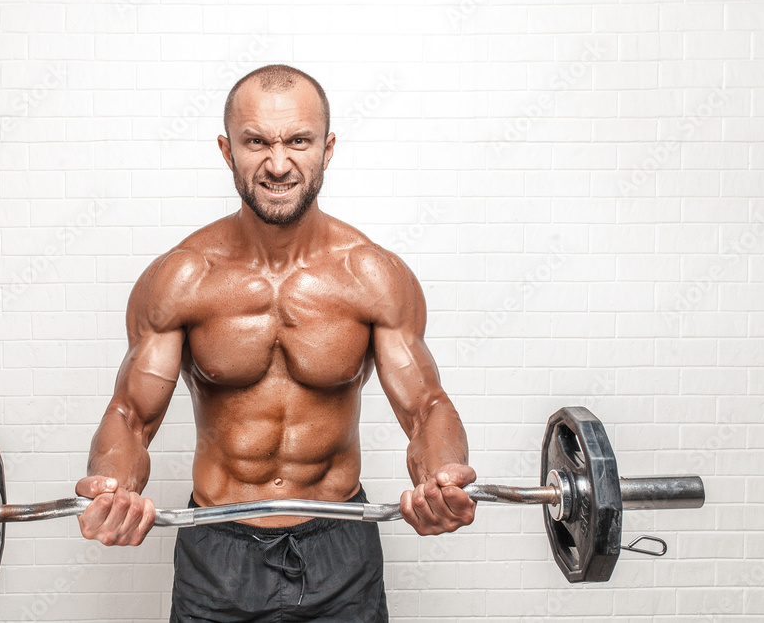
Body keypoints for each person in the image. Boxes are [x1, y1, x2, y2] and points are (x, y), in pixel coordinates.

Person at [76, 64, 476, 622]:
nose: (279, 163)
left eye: (298, 141)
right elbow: (130, 415)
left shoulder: (372, 276)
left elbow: (426, 406)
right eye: (256, 142)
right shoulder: (181, 279)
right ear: (226, 149)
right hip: (217, 547)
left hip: (341, 542)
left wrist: (441, 475)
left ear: (327, 148)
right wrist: (113, 487)